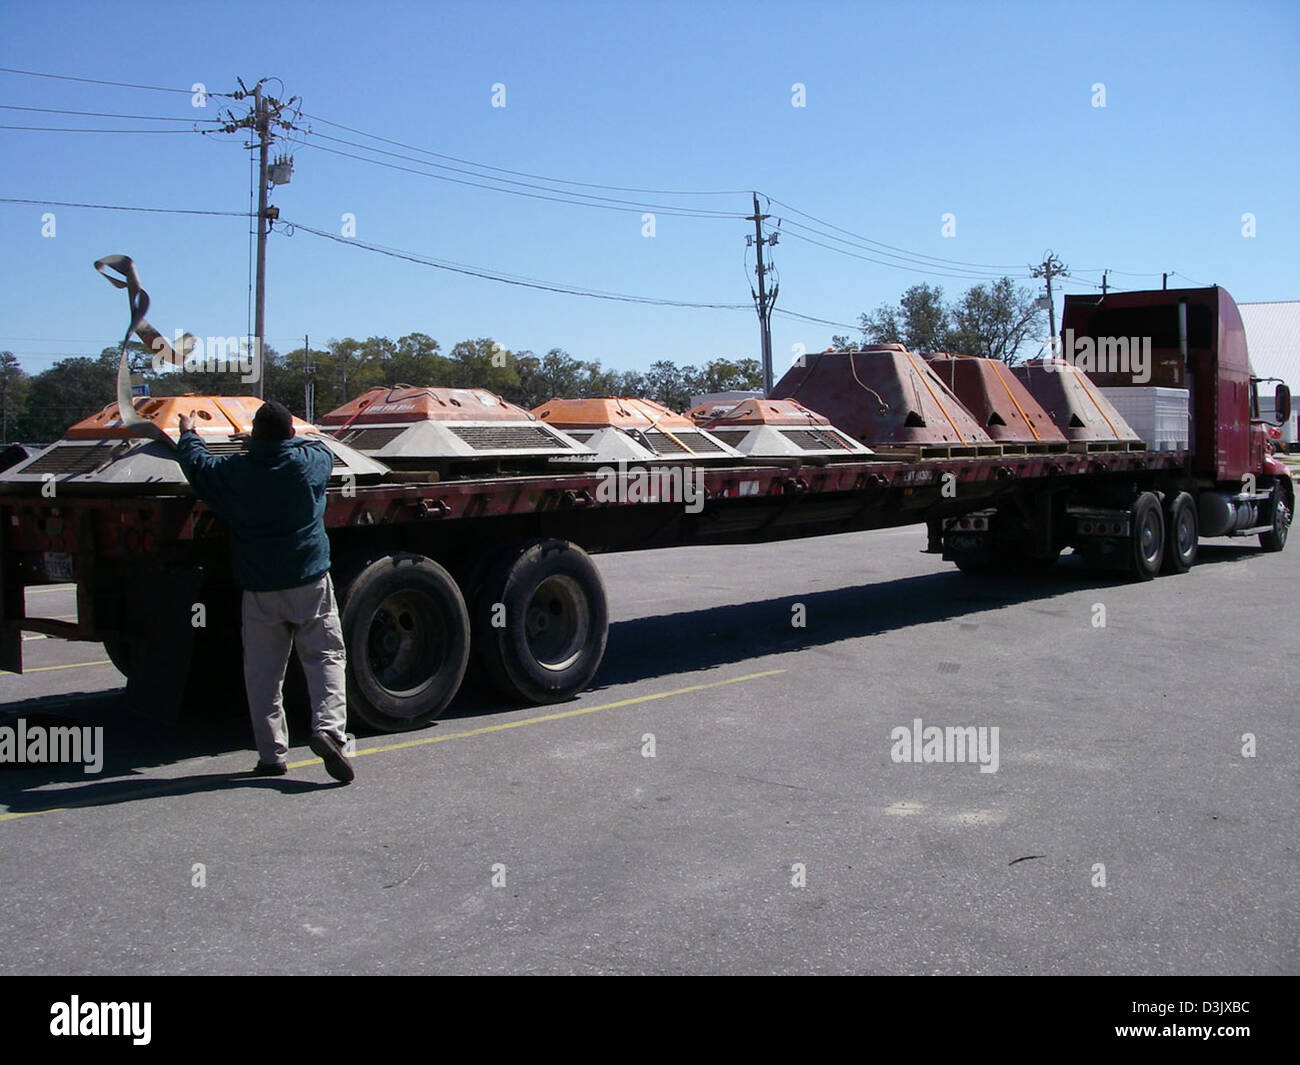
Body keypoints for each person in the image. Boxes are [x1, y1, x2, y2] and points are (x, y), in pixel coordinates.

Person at [176, 400, 354, 783]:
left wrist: (188, 433)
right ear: (289, 433)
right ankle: (329, 731)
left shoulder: (235, 472)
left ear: (254, 434)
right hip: (309, 582)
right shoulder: (308, 463)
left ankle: (271, 755)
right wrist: (269, 443)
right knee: (325, 658)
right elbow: (321, 446)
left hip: (259, 589)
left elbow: (198, 465)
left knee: (263, 674)